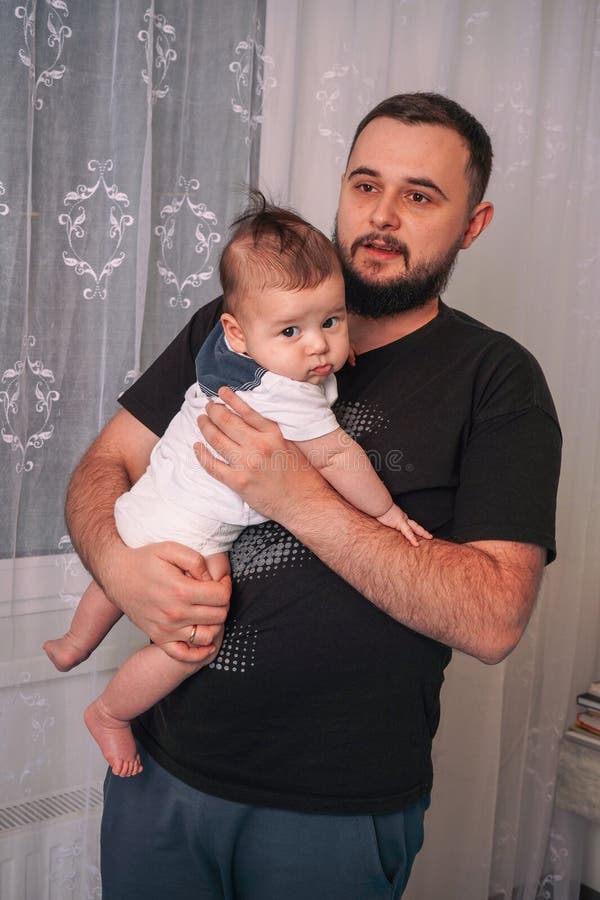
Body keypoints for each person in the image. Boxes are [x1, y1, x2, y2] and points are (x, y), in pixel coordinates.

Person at [65, 93, 561, 900]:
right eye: (366, 185)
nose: (383, 215)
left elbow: (494, 617)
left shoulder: (497, 381)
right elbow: (101, 470)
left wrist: (297, 496)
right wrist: (120, 572)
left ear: (473, 224)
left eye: (420, 195)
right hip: (161, 772)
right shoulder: (234, 326)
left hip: (334, 815)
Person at [44, 200, 430, 778]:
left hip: (143, 504)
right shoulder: (289, 399)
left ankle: (77, 639)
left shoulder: (222, 352)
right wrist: (386, 512)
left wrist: (305, 341)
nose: (318, 348)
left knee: (117, 565)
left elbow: (296, 341)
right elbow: (340, 457)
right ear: (239, 332)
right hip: (188, 537)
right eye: (292, 331)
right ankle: (111, 713)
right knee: (190, 645)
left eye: (332, 321)